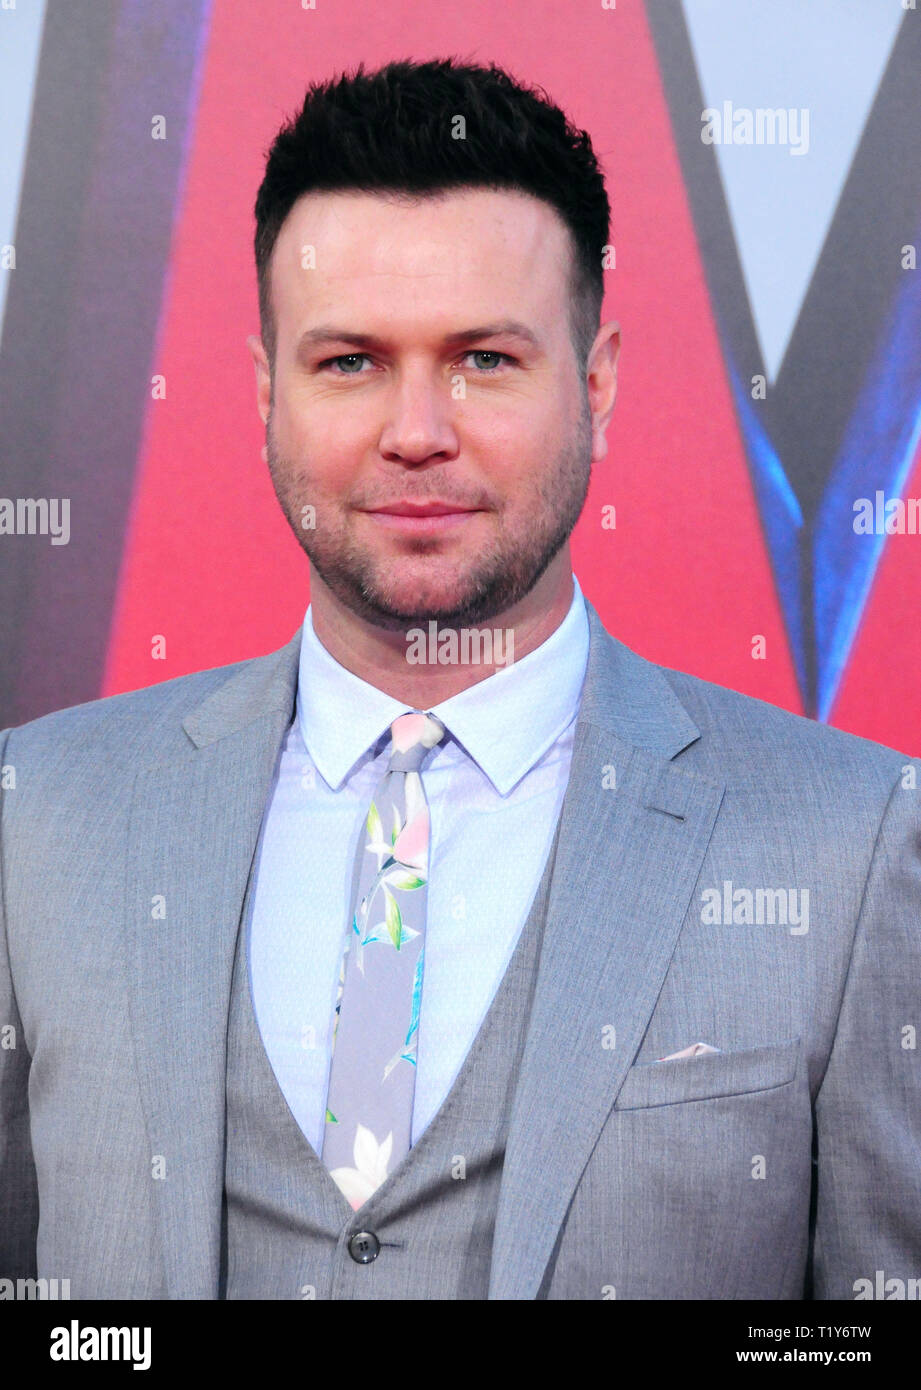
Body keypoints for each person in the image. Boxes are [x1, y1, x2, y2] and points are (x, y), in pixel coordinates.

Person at [1, 57, 919, 1302]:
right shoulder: (39, 816)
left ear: (595, 383)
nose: (418, 428)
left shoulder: (847, 844)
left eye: (485, 359)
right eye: (349, 363)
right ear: (266, 393)